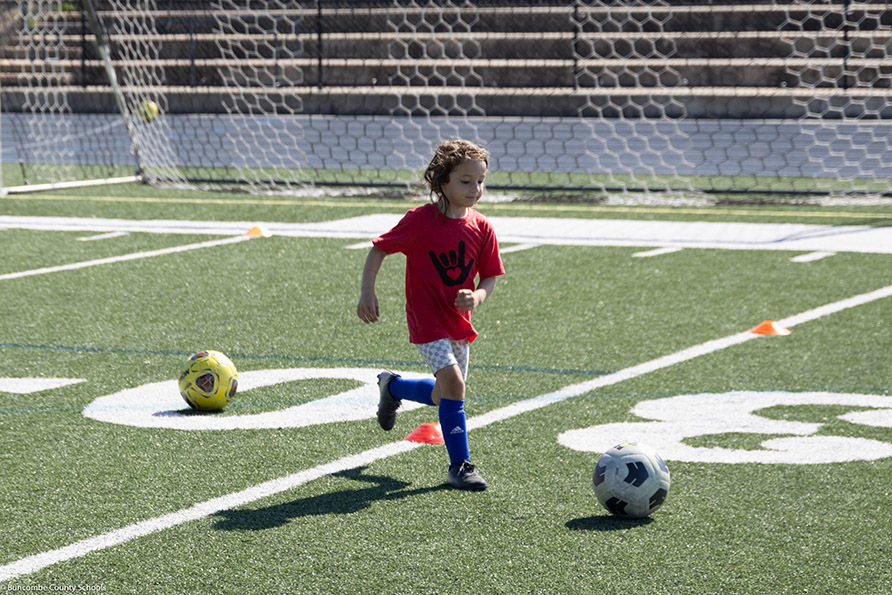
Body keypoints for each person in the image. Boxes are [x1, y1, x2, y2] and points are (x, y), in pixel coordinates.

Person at [357, 139, 505, 491]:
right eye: (466, 181)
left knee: (445, 395)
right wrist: (367, 292)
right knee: (455, 386)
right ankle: (460, 466)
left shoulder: (482, 228)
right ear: (442, 182)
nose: (475, 189)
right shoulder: (420, 221)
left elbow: (490, 276)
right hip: (426, 320)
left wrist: (478, 297)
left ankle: (392, 387)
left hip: (458, 324)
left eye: (480, 181)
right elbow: (379, 250)